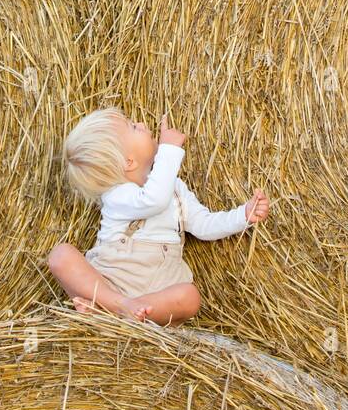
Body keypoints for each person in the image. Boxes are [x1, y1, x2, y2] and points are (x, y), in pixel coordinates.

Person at [48, 109, 269, 326]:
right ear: (129, 162)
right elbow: (153, 200)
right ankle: (117, 304)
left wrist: (243, 215)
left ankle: (116, 312)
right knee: (60, 255)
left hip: (159, 289)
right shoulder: (117, 194)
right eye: (134, 127)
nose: (142, 124)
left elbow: (203, 224)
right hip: (112, 281)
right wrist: (169, 149)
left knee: (190, 297)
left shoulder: (174, 188)